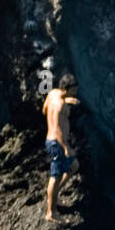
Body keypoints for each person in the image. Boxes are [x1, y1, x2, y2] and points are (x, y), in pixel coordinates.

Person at [43, 74, 80, 220]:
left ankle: (54, 196)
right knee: (56, 176)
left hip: (51, 140)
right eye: (74, 90)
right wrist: (65, 147)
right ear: (67, 88)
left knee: (74, 166)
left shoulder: (53, 94)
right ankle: (50, 212)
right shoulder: (61, 105)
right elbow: (58, 129)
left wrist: (64, 100)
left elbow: (45, 109)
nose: (76, 92)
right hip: (57, 143)